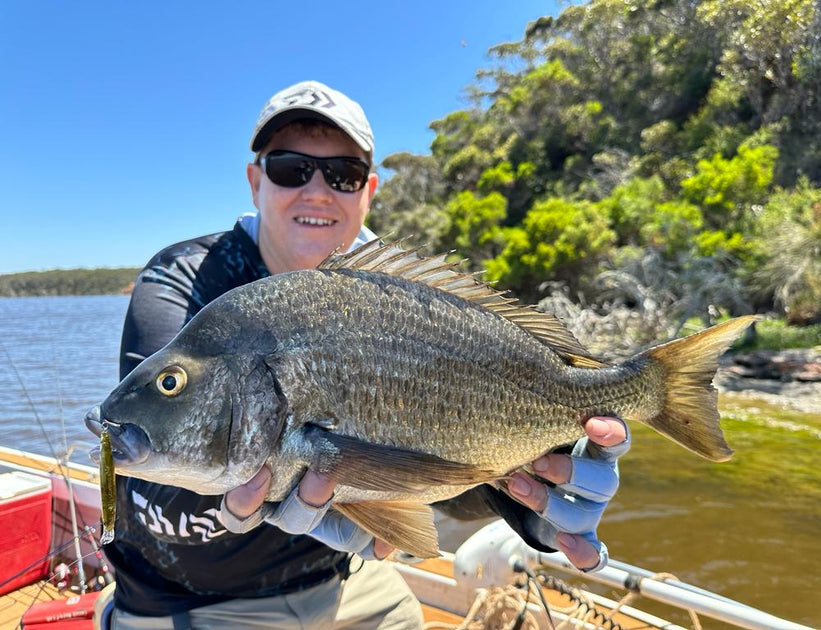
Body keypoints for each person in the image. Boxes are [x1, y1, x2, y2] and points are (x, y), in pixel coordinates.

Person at [103, 80, 630, 630]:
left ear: (368, 189)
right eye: (290, 168)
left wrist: (531, 497)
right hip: (190, 603)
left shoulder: (400, 300)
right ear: (255, 180)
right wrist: (250, 505)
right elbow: (149, 489)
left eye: (343, 174)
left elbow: (438, 472)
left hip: (347, 579)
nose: (316, 190)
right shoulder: (185, 280)